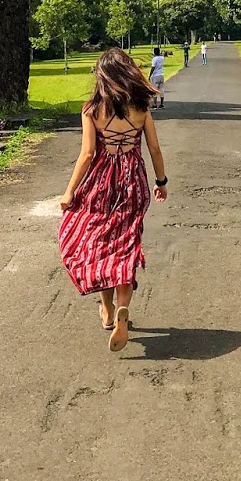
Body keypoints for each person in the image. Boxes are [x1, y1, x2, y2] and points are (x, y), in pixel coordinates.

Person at [58, 47, 168, 353]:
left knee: (95, 243)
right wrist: (161, 182)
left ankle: (106, 309)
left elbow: (87, 155)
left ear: (102, 76)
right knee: (126, 243)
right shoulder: (142, 107)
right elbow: (155, 150)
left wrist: (69, 192)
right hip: (132, 180)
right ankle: (123, 306)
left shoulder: (91, 109)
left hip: (100, 183)